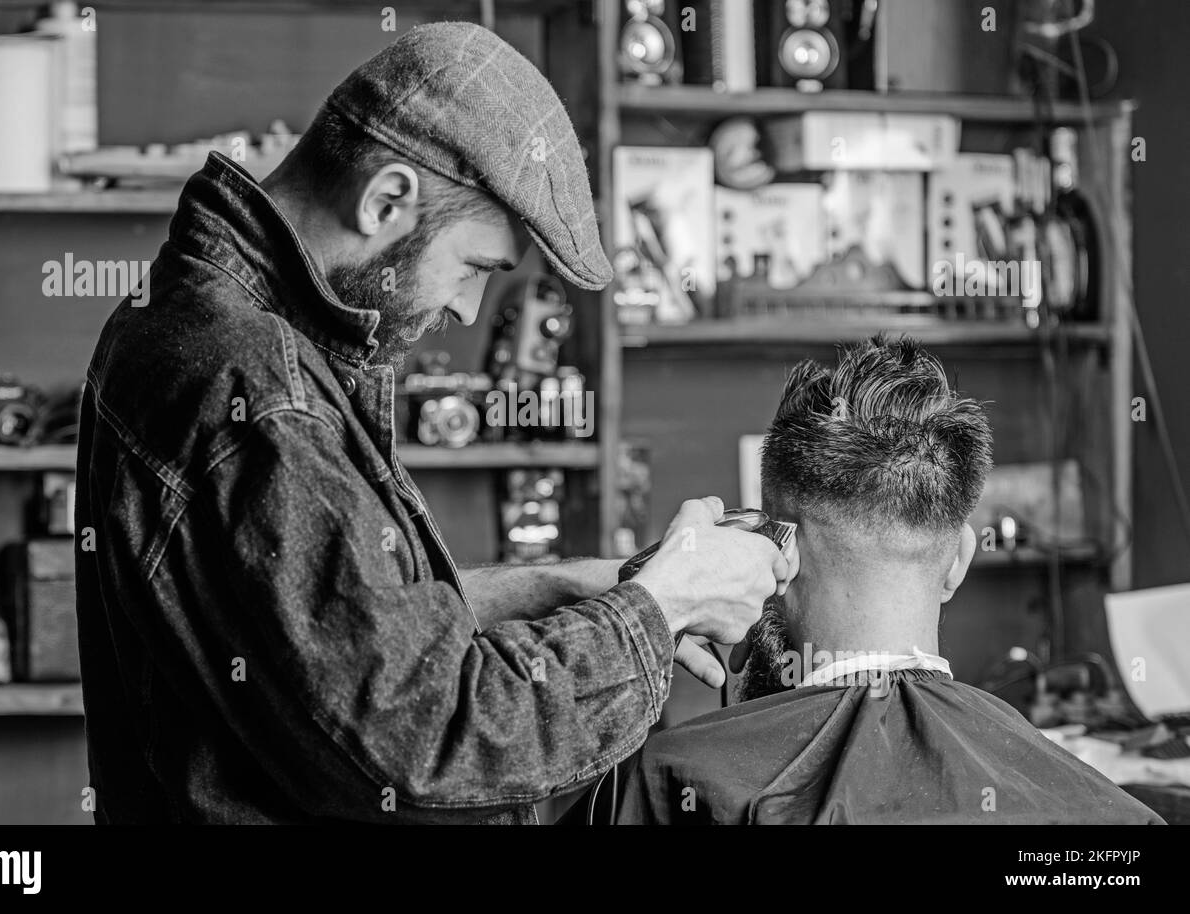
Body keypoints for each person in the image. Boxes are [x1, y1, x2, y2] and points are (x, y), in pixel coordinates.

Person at [74, 22, 794, 824]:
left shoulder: (200, 319)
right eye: (476, 266)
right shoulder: (257, 389)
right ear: (387, 199)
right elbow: (434, 742)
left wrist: (567, 589)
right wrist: (655, 612)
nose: (467, 307)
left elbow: (334, 639)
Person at [599, 336, 1162, 824]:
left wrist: (639, 614)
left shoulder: (673, 781)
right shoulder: (1108, 811)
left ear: (775, 554)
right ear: (959, 560)